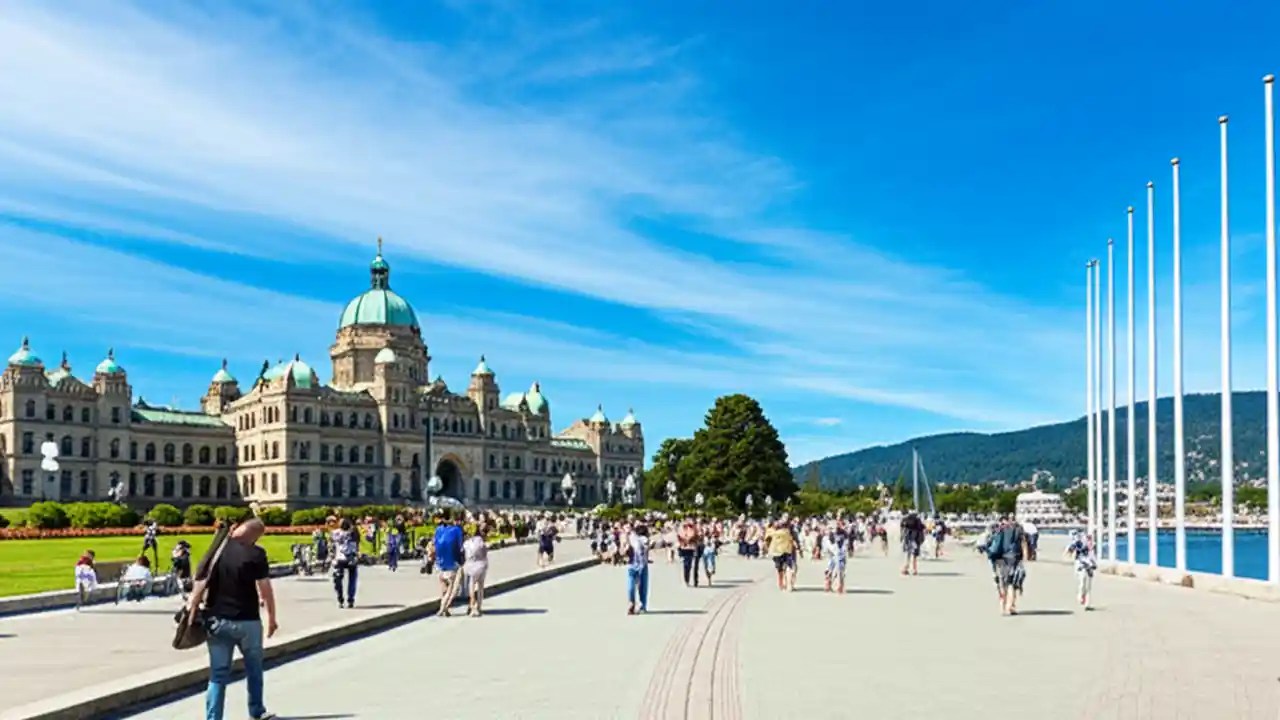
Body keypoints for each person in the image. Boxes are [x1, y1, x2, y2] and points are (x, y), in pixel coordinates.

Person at [202, 519, 278, 720]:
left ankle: (213, 718)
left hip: (217, 620)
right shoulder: (256, 554)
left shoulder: (217, 551)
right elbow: (265, 590)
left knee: (217, 675)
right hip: (248, 621)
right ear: (255, 537)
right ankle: (257, 711)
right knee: (254, 669)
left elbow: (201, 579)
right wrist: (271, 618)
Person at [986, 515, 1027, 616]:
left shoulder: (999, 529)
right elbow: (1023, 543)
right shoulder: (1018, 529)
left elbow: (991, 543)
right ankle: (1010, 606)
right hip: (1014, 558)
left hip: (999, 558)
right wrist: (1025, 557)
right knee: (1012, 583)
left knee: (1002, 582)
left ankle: (1002, 606)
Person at [433, 513, 465, 617]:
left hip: (439, 563)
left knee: (443, 587)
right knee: (451, 588)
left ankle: (444, 610)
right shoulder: (456, 530)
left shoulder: (438, 529)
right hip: (452, 562)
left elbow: (435, 543)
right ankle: (443, 608)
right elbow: (460, 547)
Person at [331, 518, 359, 608]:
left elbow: (332, 546)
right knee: (349, 580)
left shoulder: (337, 533)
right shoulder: (352, 532)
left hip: (345, 558)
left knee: (342, 579)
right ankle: (346, 599)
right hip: (345, 558)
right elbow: (332, 546)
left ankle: (345, 599)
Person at [1065, 531, 1097, 609]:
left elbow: (1094, 556)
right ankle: (1081, 596)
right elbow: (1070, 550)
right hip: (1080, 564)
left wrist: (1094, 564)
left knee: (1089, 585)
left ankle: (1087, 603)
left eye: (1090, 538)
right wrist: (1069, 553)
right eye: (1088, 538)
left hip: (1090, 565)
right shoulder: (1079, 543)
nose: (1089, 540)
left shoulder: (1093, 546)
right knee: (1082, 582)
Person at [463, 528, 489, 617]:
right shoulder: (482, 543)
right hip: (482, 565)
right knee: (481, 587)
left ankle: (472, 605)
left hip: (470, 566)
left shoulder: (467, 543)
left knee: (471, 586)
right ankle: (479, 606)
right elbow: (485, 553)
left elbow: (465, 554)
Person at [764, 520, 797, 591]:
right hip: (787, 551)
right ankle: (788, 585)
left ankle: (781, 584)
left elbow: (766, 540)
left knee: (780, 570)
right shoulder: (787, 532)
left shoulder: (772, 532)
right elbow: (792, 540)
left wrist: (767, 550)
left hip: (776, 553)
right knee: (788, 567)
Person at [627, 523, 651, 615]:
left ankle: (633, 603)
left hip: (633, 565)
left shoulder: (634, 538)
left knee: (632, 587)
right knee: (642, 587)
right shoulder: (644, 539)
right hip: (639, 565)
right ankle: (640, 605)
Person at [900, 511, 925, 576]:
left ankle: (906, 569)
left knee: (908, 555)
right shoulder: (918, 523)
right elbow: (922, 529)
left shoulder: (907, 524)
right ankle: (914, 570)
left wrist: (902, 538)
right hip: (916, 540)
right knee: (914, 556)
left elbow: (903, 530)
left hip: (908, 539)